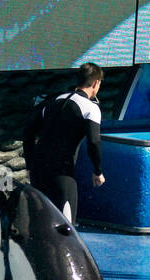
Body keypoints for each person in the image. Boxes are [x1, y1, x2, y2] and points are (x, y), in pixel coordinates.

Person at [22, 62, 106, 222]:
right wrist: (98, 171)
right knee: (65, 226)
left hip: (38, 171)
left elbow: (28, 132)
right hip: (62, 173)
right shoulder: (90, 107)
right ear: (96, 83)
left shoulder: (52, 101)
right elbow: (94, 141)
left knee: (41, 222)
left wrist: (29, 166)